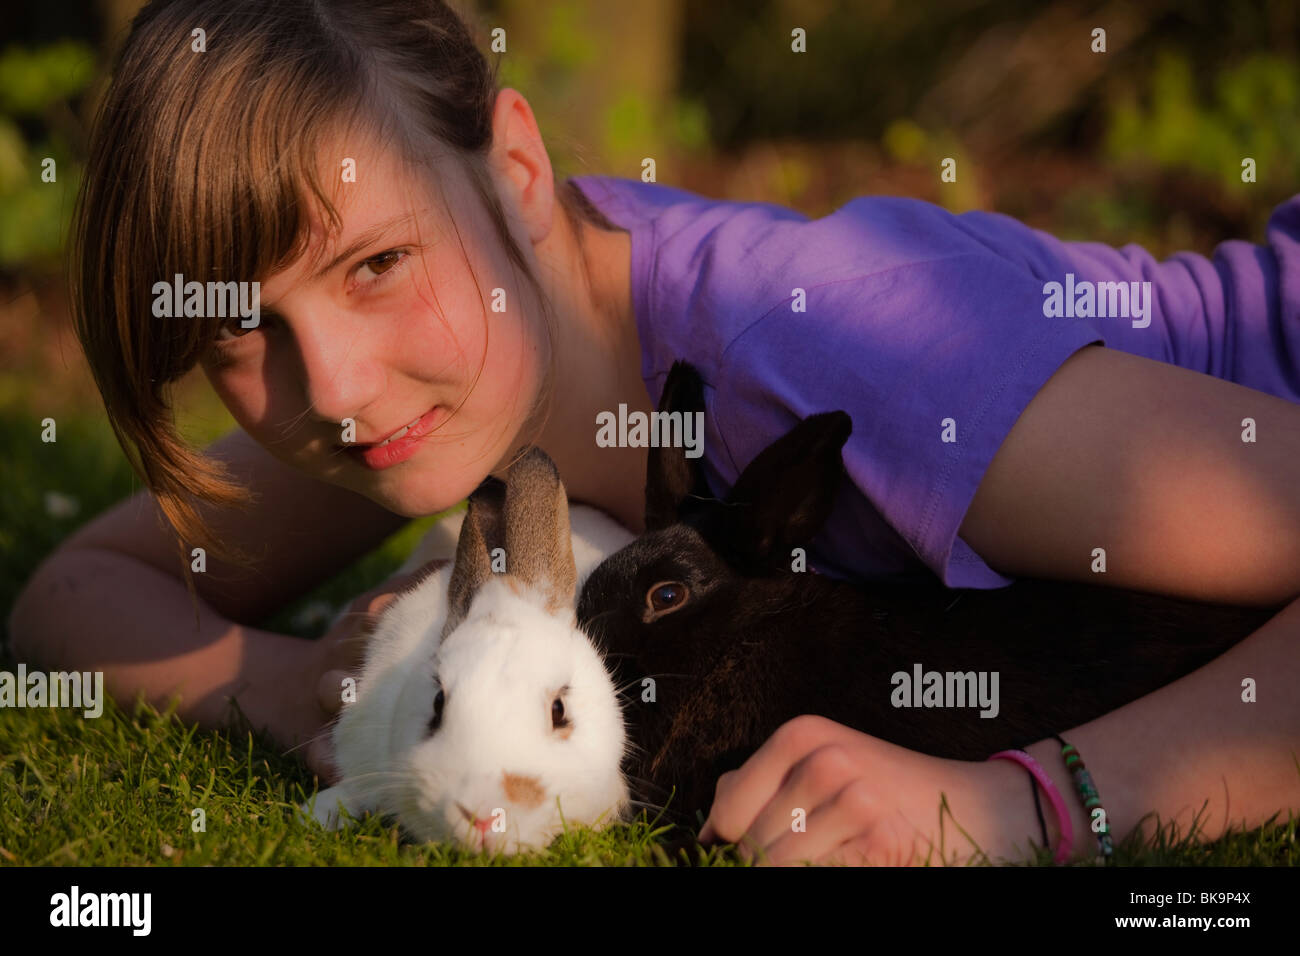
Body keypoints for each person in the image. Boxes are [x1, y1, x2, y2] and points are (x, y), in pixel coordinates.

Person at [10, 0, 1300, 866]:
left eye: (377, 263)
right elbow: (83, 587)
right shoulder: (446, 390)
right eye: (237, 332)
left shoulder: (838, 351)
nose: (335, 382)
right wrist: (298, 686)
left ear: (514, 175)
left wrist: (1034, 801)